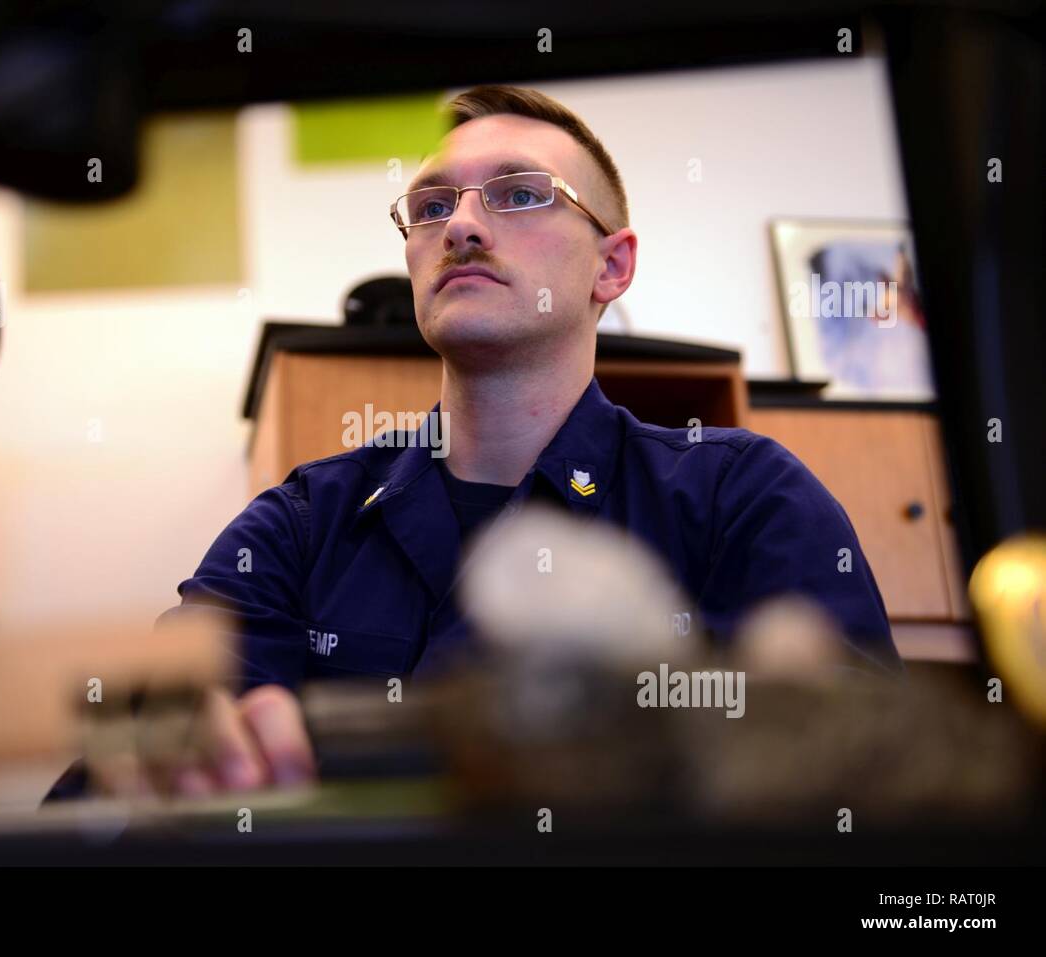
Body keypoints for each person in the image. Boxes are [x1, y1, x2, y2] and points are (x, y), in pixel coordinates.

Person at [62, 84, 899, 801]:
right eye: (432, 205)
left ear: (612, 267)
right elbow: (131, 741)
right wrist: (163, 737)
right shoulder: (301, 520)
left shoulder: (742, 496)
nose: (461, 223)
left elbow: (878, 781)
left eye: (520, 193)